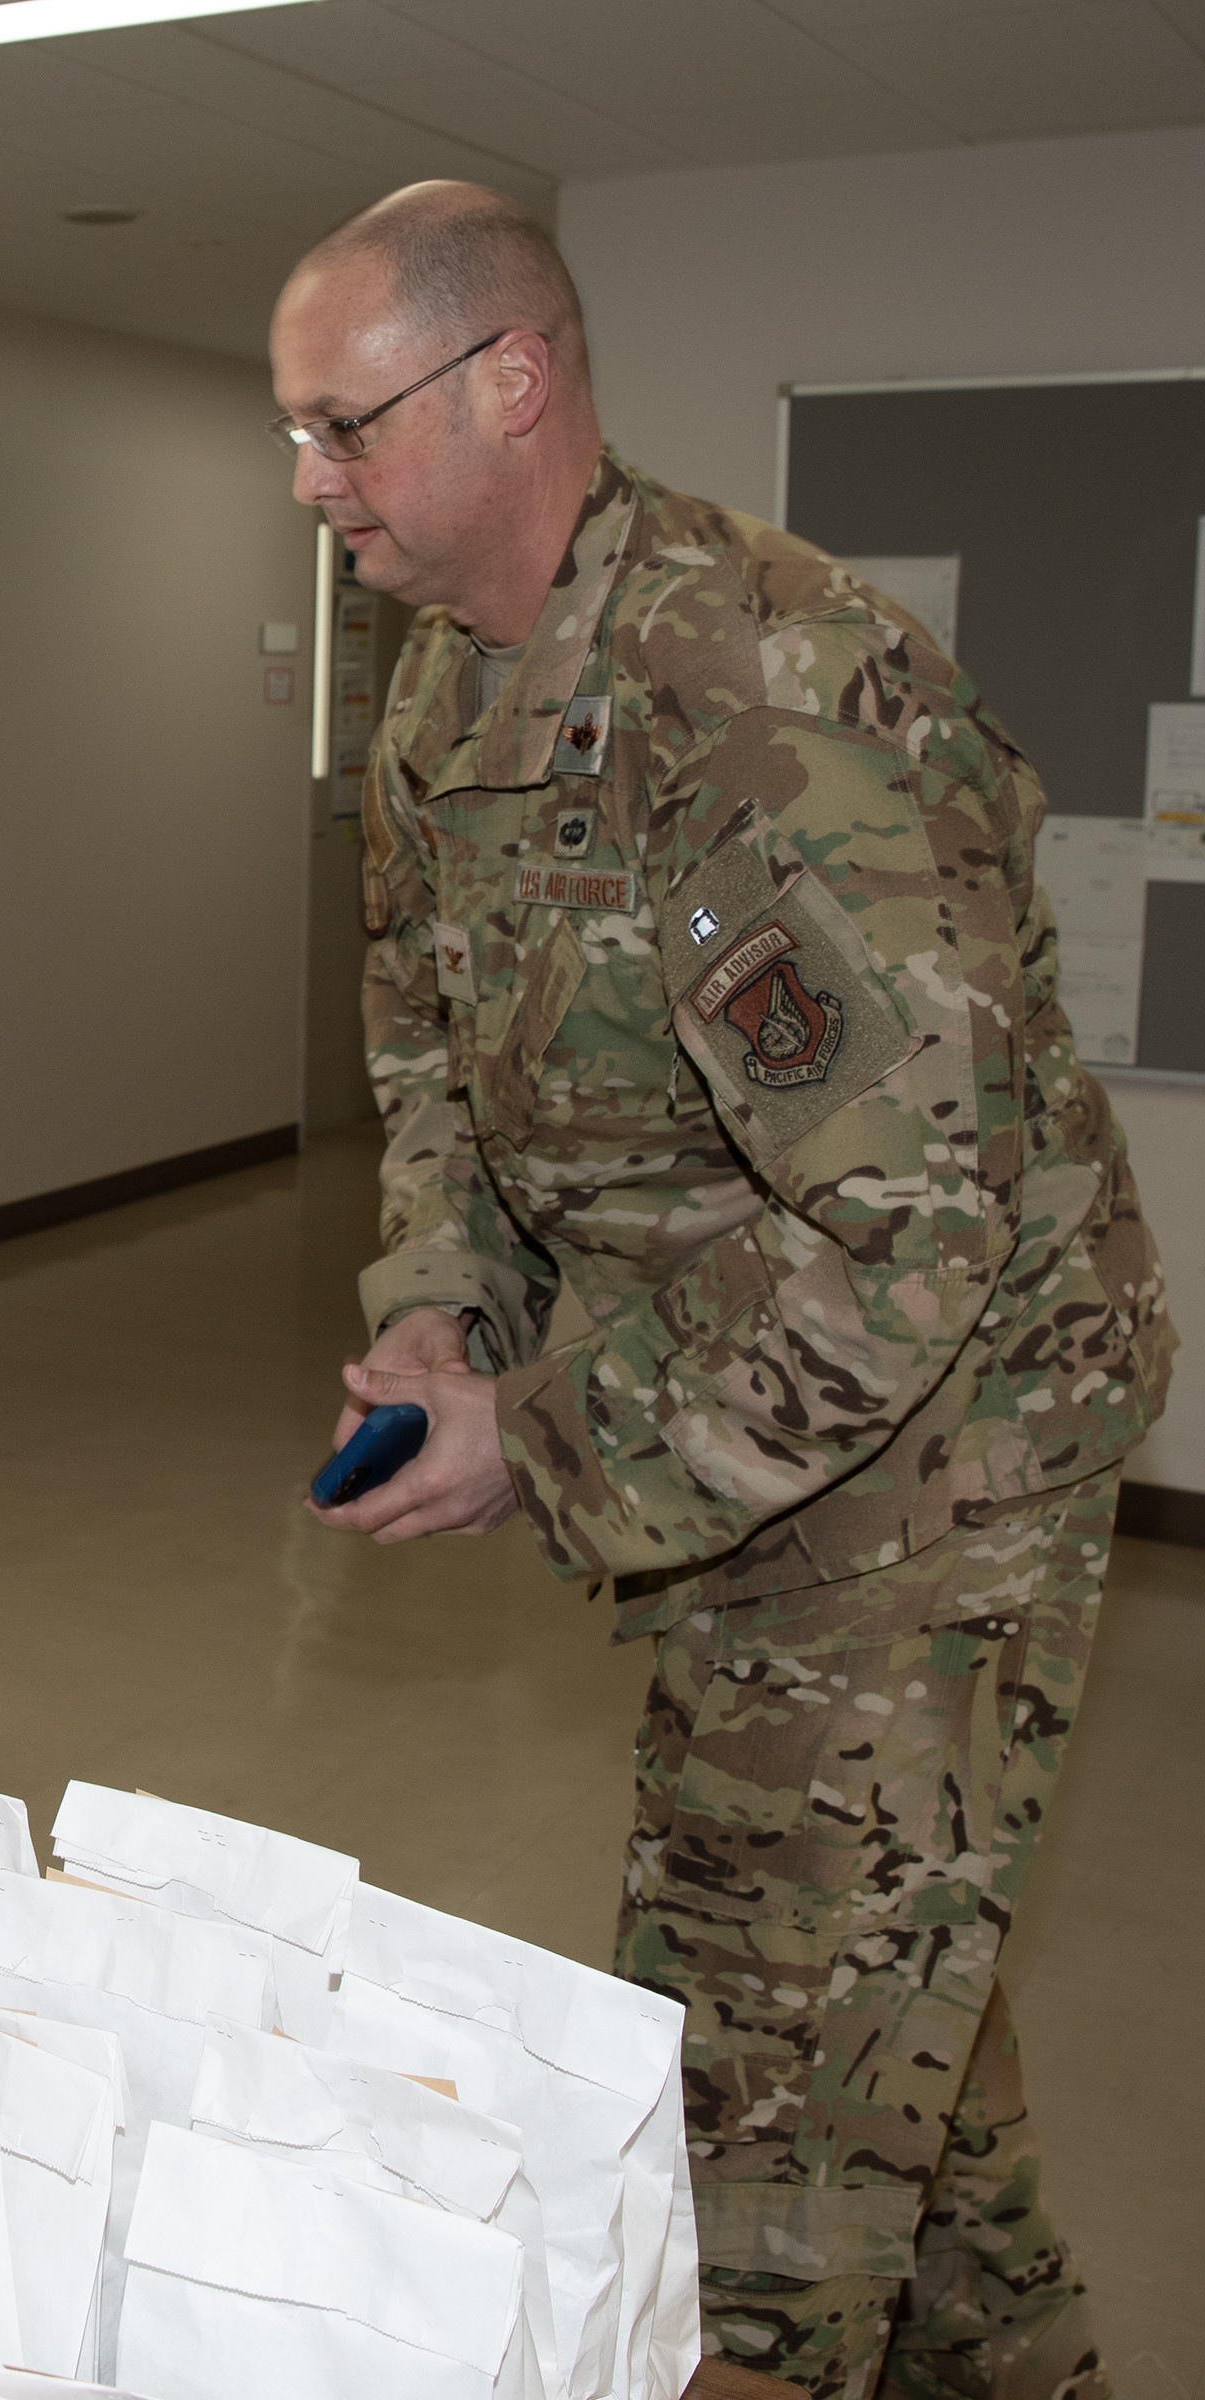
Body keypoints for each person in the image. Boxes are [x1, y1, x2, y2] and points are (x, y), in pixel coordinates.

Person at [284, 185, 1168, 2399]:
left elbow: (917, 1226)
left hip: (942, 1464)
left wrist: (551, 1443)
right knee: (891, 2035)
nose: (307, 485)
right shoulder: (441, 693)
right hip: (737, 1431)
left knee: (747, 2143)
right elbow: (434, 1061)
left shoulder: (765, 690)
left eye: (340, 428)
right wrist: (445, 1317)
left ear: (512, 384)